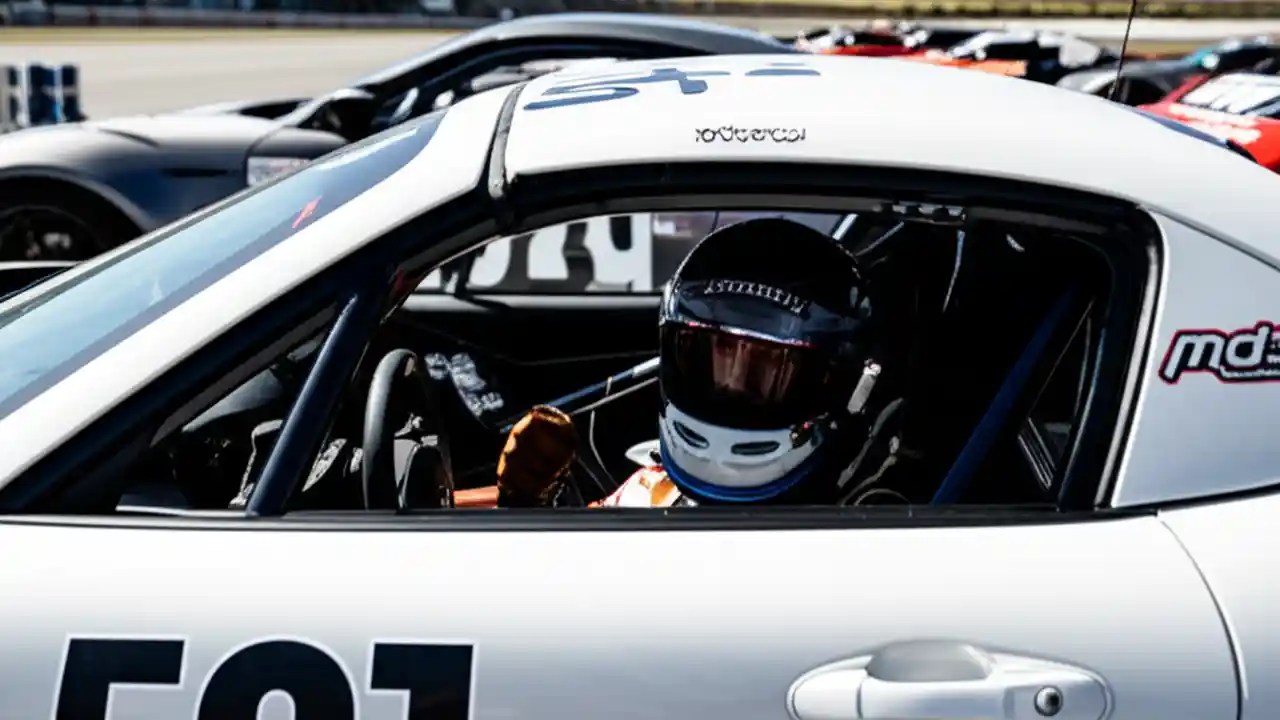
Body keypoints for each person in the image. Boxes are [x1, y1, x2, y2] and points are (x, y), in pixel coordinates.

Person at [455, 217, 922, 509]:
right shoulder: (654, 489)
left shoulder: (862, 529)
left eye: (763, 372)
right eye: (714, 360)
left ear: (833, 382)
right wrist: (529, 502)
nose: (730, 386)